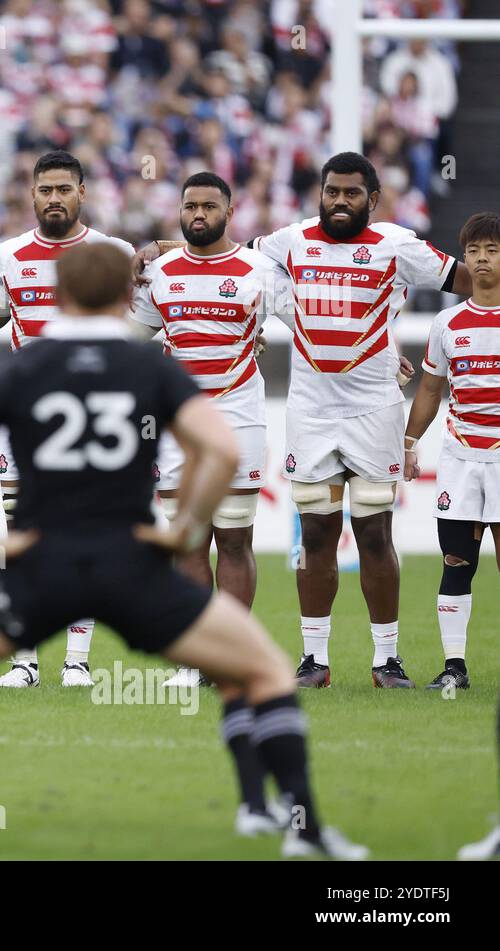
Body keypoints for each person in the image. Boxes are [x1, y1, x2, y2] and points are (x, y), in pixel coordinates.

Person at [0, 242, 367, 859]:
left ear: (58, 293)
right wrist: (183, 531)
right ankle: (296, 827)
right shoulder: (150, 368)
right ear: (127, 297)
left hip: (42, 567)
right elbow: (220, 450)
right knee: (262, 670)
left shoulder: (26, 366)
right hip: (133, 567)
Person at [137, 152, 470, 688]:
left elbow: (470, 278)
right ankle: (313, 659)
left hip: (376, 407)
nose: (340, 201)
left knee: (375, 532)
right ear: (319, 193)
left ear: (373, 199)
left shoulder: (396, 244)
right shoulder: (287, 243)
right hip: (311, 410)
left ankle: (387, 659)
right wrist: (158, 248)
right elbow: (220, 250)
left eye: (352, 193)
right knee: (314, 532)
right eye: (332, 191)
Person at [130, 171, 294, 834]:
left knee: (235, 540)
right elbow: (134, 337)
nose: (199, 214)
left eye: (209, 205)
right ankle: (198, 656)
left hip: (241, 418)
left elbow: (301, 323)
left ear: (229, 209)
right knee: (186, 539)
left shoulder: (259, 269)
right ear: (182, 212)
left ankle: (231, 650)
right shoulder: (159, 275)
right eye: (190, 206)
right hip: (176, 422)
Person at [0, 149, 135, 689]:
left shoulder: (112, 254)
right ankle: (24, 662)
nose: (54, 199)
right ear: (32, 195)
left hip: (90, 420)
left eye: (64, 189)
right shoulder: (8, 256)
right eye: (45, 190)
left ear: (82, 193)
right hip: (23, 425)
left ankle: (77, 662)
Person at [405, 212, 500, 692]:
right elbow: (429, 389)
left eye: (492, 250)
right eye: (474, 252)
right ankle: (454, 667)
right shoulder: (448, 322)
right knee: (456, 560)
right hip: (462, 457)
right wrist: (408, 441)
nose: (482, 260)